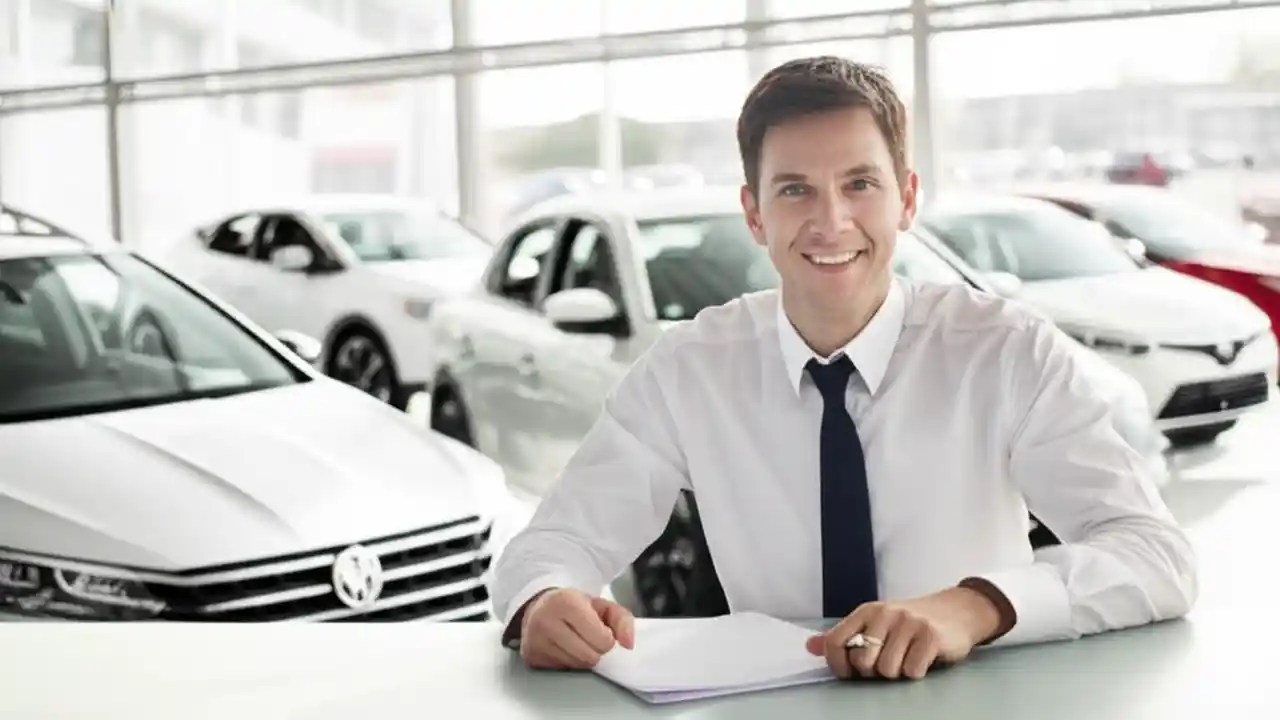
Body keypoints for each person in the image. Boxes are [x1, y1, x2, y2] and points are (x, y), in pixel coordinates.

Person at [490, 56, 1197, 682]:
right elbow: (554, 544)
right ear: (755, 213)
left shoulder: (1003, 349)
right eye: (795, 189)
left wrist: (974, 607)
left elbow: (1155, 555)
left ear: (907, 198)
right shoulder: (690, 367)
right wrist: (544, 599)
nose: (831, 221)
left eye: (860, 183)